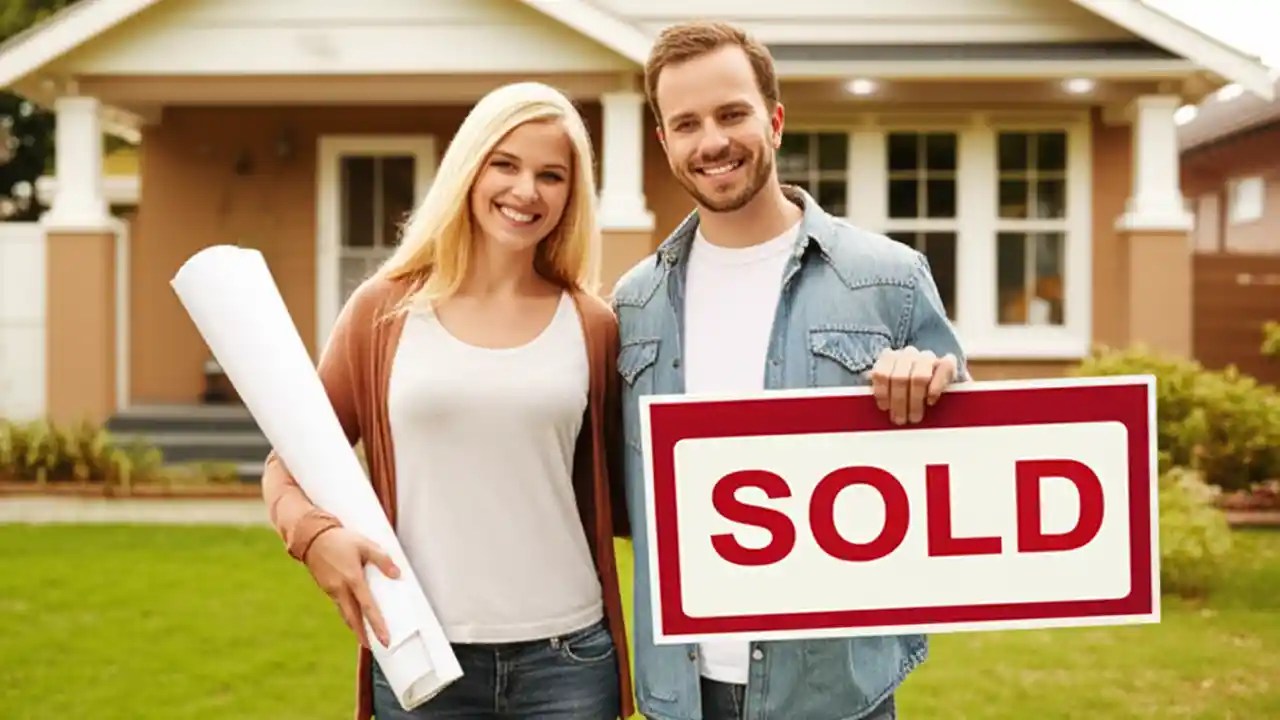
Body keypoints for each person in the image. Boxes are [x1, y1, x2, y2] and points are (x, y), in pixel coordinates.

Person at [611, 21, 970, 720]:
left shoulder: (888, 281)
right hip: (683, 695)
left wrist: (933, 390)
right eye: (686, 123)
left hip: (835, 696)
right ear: (664, 142)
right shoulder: (634, 303)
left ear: (774, 120)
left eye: (732, 113)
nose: (711, 140)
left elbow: (967, 477)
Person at [262, 81, 633, 720]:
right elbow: (287, 464)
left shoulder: (593, 325)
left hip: (567, 661)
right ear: (470, 166)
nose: (526, 191)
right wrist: (313, 536)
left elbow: (642, 485)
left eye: (551, 175)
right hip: (422, 654)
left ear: (572, 196)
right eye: (506, 164)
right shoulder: (384, 312)